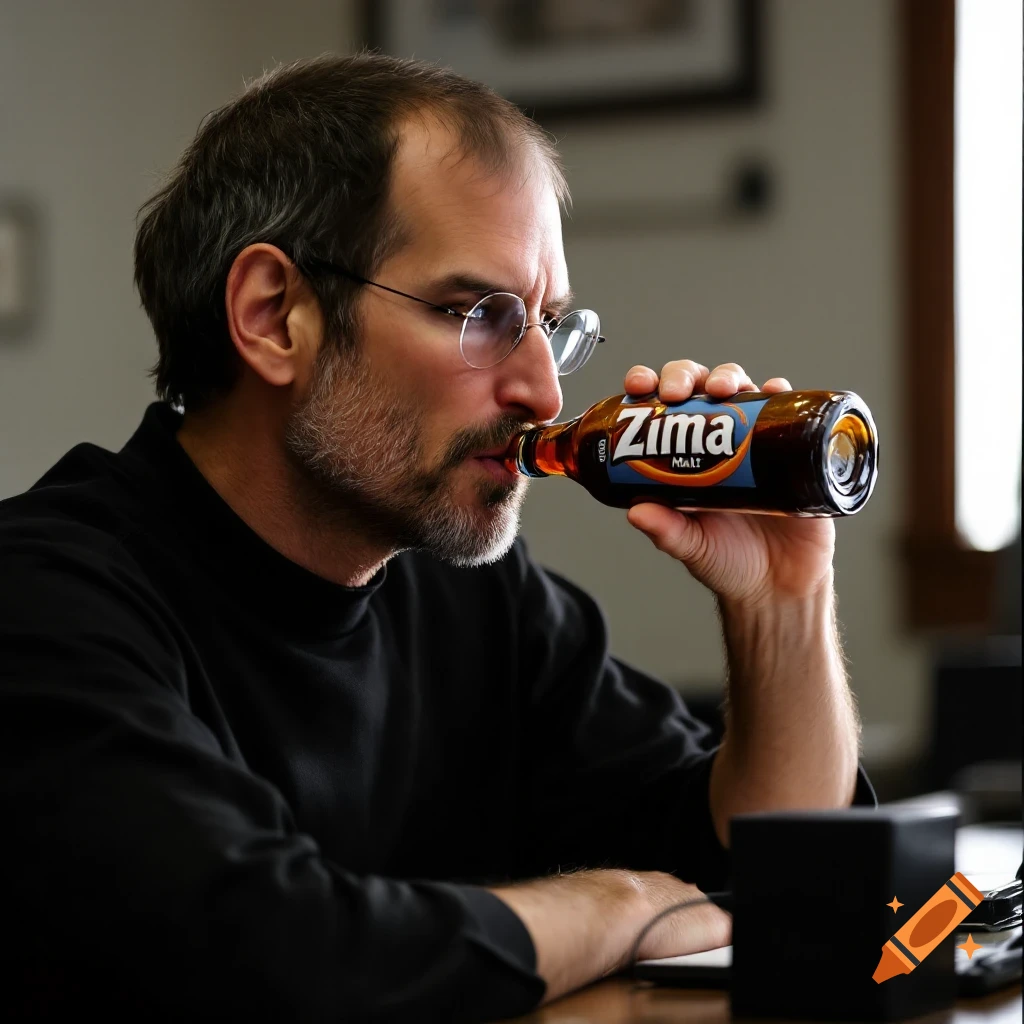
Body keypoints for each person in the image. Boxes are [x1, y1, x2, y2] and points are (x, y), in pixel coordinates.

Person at [0, 53, 875, 1022]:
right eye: (481, 314)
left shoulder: (473, 598)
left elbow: (766, 867)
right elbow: (271, 955)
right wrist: (619, 904)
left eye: (548, 324)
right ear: (272, 317)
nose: (543, 392)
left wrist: (782, 604)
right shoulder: (46, 601)